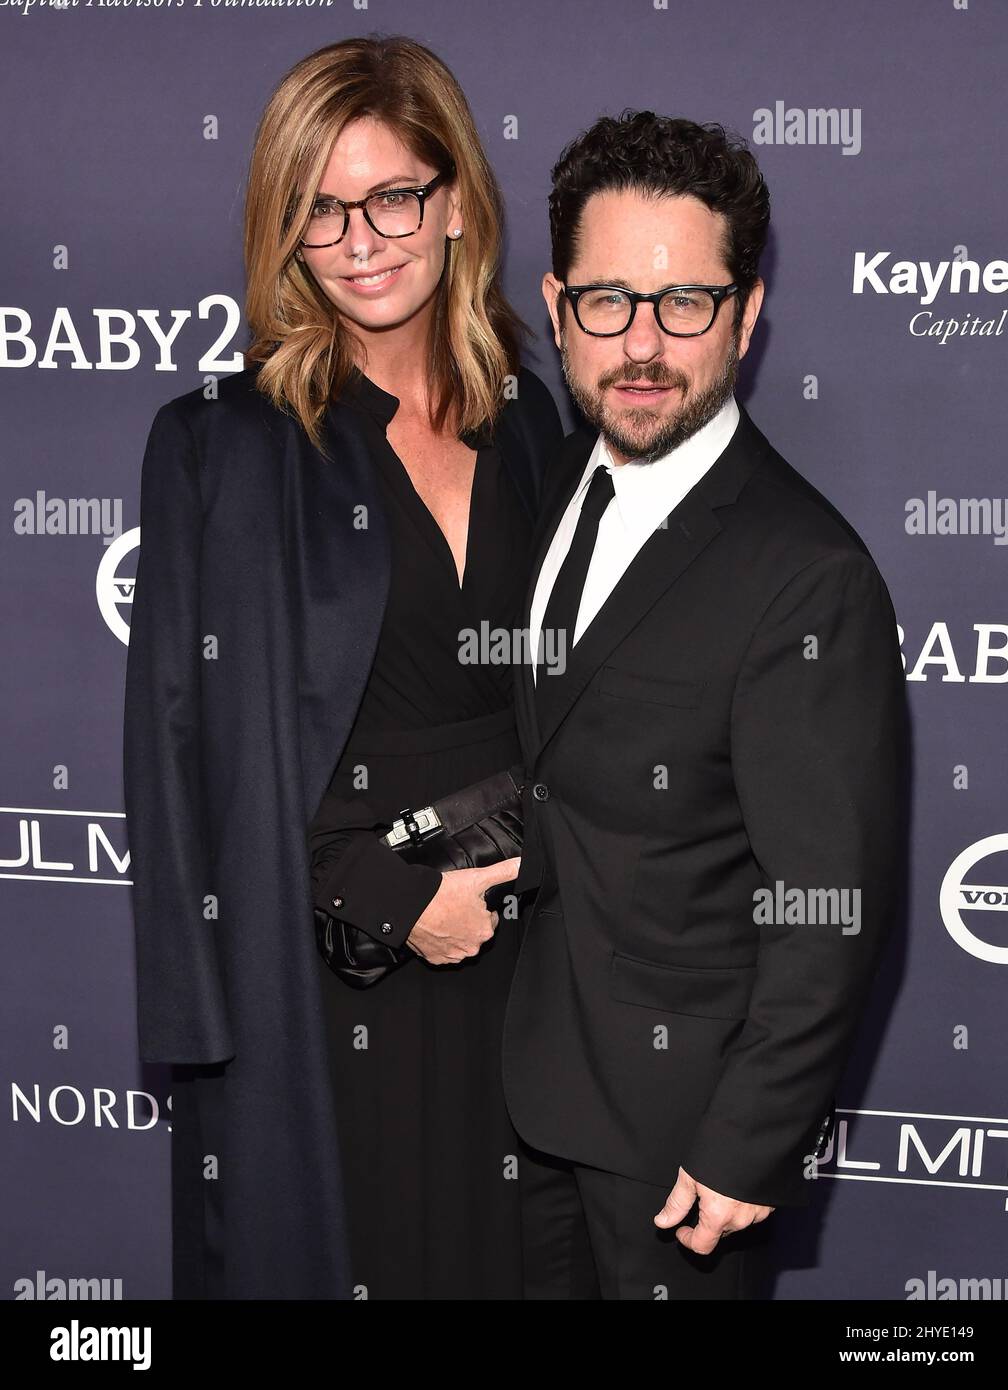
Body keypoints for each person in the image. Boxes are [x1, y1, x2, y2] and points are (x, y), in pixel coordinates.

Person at [123, 35, 562, 1300]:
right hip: (323, 972)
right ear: (285, 233)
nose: (360, 236)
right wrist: (383, 896)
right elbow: (185, 751)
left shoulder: (532, 420)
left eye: (391, 196)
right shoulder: (228, 445)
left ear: (456, 202)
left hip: (522, 963)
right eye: (319, 208)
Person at [502, 110, 910, 1300]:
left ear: (743, 314)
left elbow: (829, 893)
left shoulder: (805, 571)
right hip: (526, 1100)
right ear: (556, 303)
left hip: (682, 1150)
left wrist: (748, 1140)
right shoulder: (549, 483)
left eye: (684, 303)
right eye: (607, 300)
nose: (642, 344)